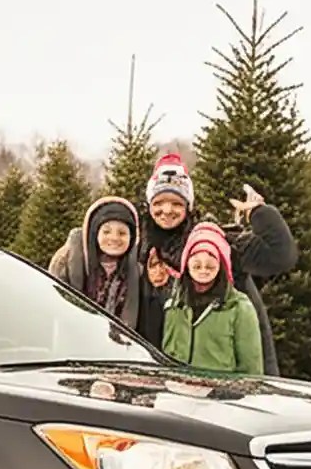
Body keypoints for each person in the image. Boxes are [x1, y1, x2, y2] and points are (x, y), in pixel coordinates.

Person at [139, 153, 297, 375]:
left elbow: (281, 256)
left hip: (235, 377)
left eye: (176, 203)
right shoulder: (142, 252)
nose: (167, 210)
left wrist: (258, 212)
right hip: (171, 379)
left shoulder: (219, 243)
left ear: (188, 206)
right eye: (158, 203)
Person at [162, 222, 264, 374]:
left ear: (221, 265)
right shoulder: (174, 306)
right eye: (197, 265)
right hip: (177, 387)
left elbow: (251, 369)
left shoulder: (238, 307)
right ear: (187, 265)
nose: (203, 270)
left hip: (220, 388)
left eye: (210, 266)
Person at [47, 196, 145, 328]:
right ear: (95, 232)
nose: (114, 238)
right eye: (106, 232)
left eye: (122, 233)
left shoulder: (136, 272)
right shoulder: (67, 261)